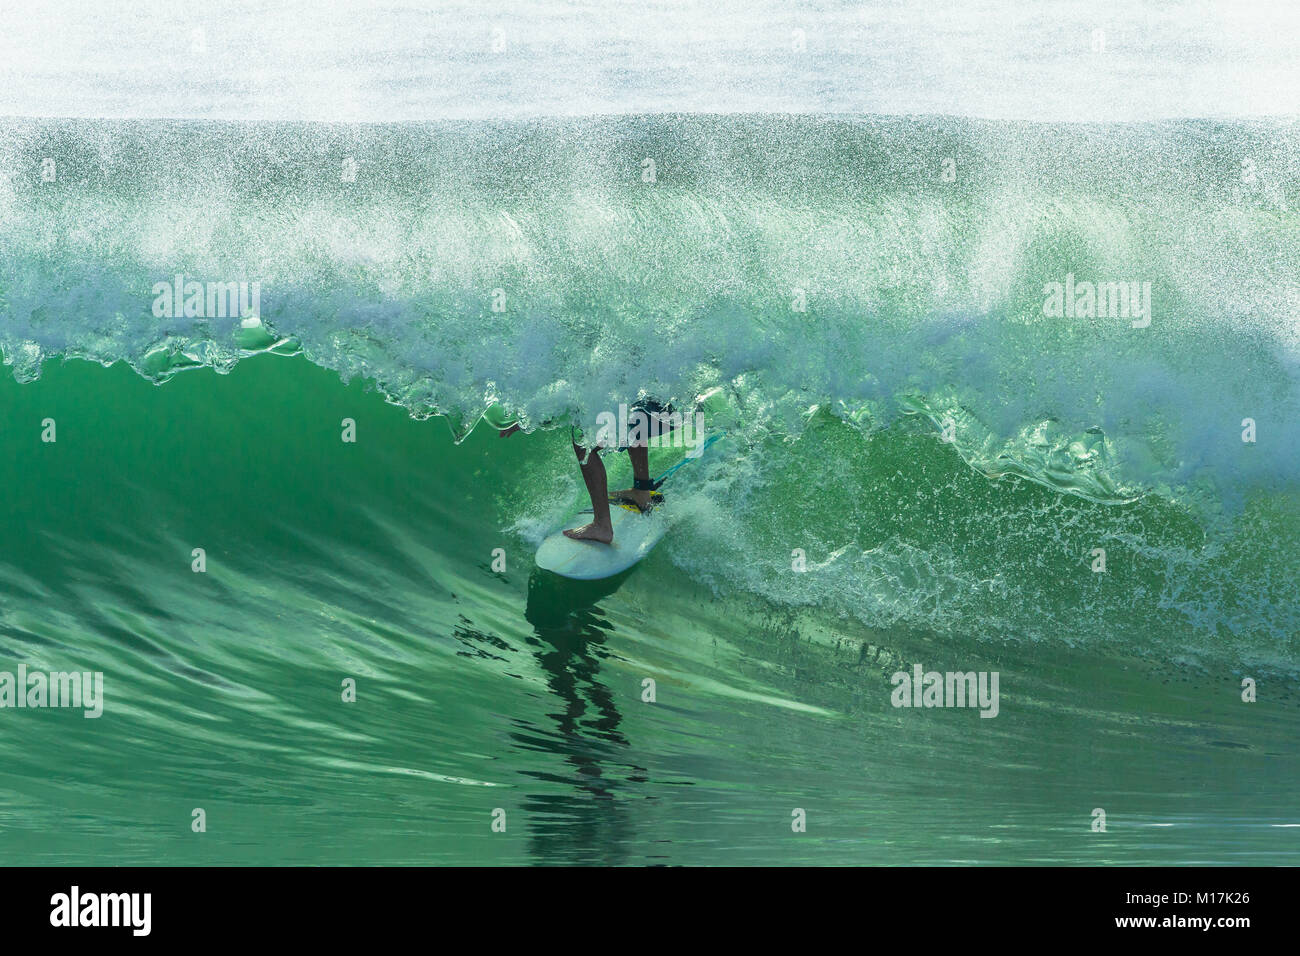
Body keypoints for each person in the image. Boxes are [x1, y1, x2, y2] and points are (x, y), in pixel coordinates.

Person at [491, 400, 675, 544]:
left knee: (583, 441)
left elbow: (565, 404)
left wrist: (527, 422)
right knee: (630, 410)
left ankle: (602, 525)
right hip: (678, 409)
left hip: (660, 415)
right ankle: (642, 492)